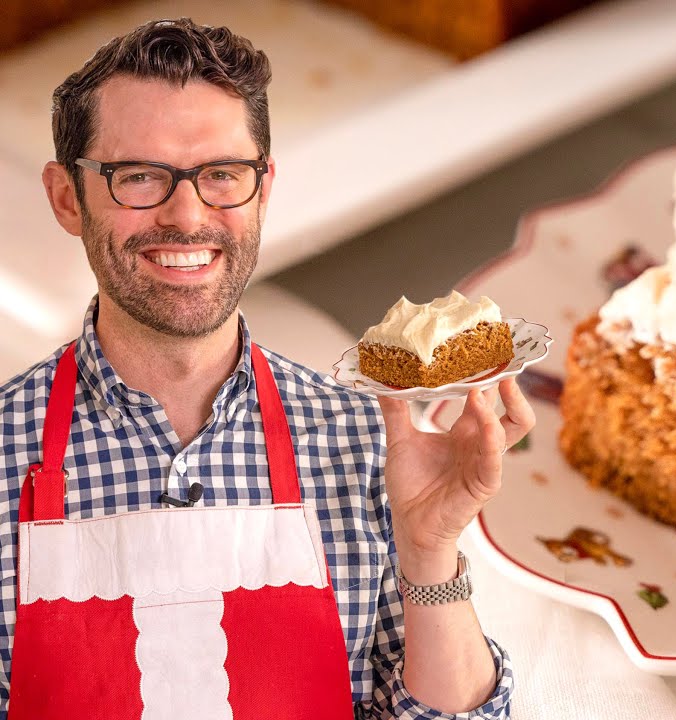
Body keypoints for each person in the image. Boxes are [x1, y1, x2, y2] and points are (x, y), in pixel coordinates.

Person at [0, 17, 534, 719]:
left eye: (223, 175)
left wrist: (429, 551)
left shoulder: (361, 435)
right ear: (67, 197)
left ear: (263, 189)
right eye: (139, 177)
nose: (187, 214)